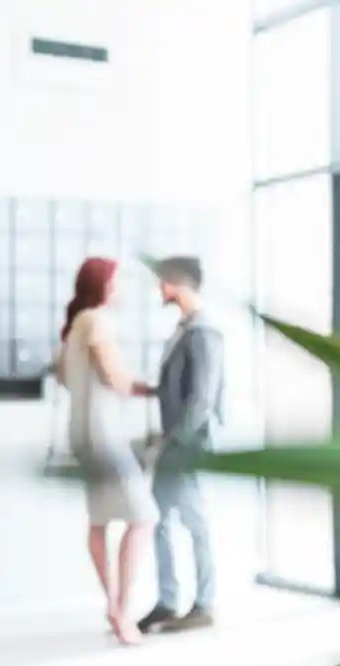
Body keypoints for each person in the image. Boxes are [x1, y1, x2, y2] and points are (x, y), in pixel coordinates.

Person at [56, 257, 159, 646]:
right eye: (117, 282)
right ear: (102, 285)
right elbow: (115, 379)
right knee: (143, 517)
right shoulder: (98, 320)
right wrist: (149, 387)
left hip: (80, 434)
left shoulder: (73, 325)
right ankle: (121, 608)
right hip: (105, 434)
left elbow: (66, 379)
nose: (122, 289)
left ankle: (113, 603)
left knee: (99, 519)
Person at [135, 256, 225, 634]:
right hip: (173, 442)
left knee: (194, 522)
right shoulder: (184, 329)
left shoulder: (204, 333)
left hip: (186, 447)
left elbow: (201, 401)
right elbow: (180, 389)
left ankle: (204, 603)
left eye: (163, 281)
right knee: (160, 520)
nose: (160, 288)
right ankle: (168, 601)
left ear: (177, 283)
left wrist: (174, 441)